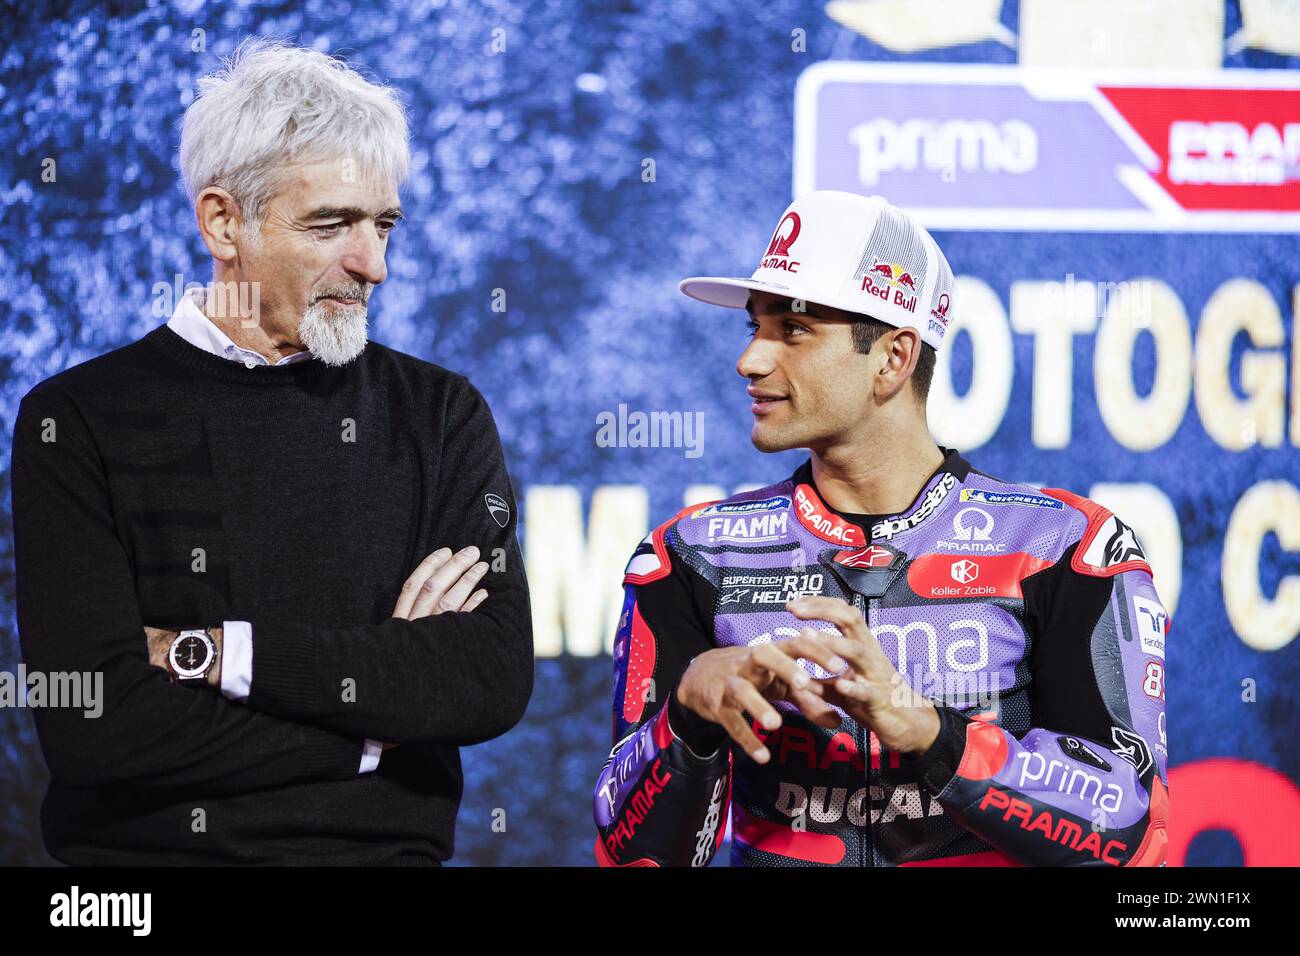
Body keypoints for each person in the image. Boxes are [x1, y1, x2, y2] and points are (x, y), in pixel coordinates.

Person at [10, 39, 533, 865]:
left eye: (384, 224)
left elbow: (486, 679)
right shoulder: (77, 420)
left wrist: (213, 653)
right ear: (223, 222)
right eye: (332, 224)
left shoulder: (439, 413)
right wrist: (371, 734)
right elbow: (97, 728)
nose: (375, 264)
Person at [592, 190, 1168, 867]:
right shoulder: (687, 556)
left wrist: (928, 731)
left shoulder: (1063, 546)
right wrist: (685, 721)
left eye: (793, 329)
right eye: (753, 327)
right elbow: (634, 855)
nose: (750, 360)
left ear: (892, 358)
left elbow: (1131, 832)